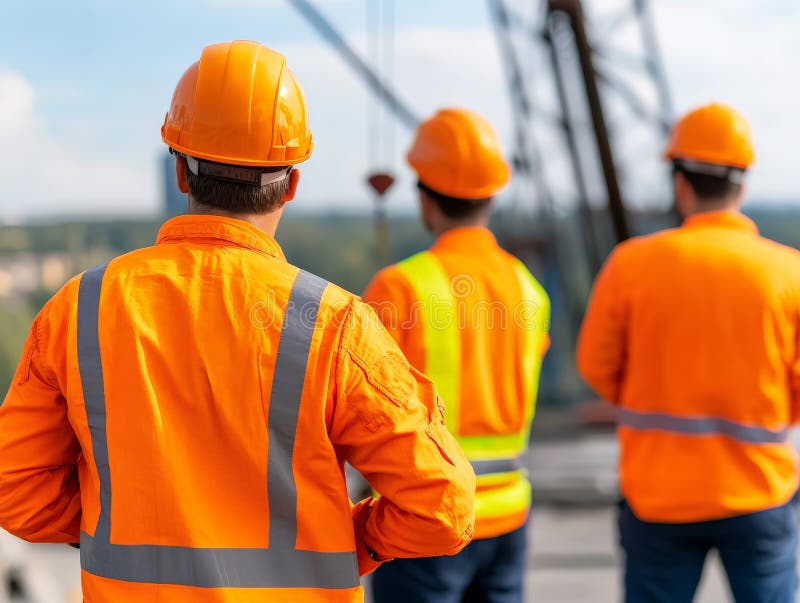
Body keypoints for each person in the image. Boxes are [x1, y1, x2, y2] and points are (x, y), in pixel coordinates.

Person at [0, 41, 476, 603]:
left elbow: (16, 488)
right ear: (292, 184)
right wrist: (353, 541)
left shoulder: (81, 309)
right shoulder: (333, 323)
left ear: (180, 170)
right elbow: (441, 506)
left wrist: (122, 527)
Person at [577, 102, 800, 603]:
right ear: (742, 183)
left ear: (680, 181)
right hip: (759, 489)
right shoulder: (789, 273)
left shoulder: (631, 265)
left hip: (659, 496)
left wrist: (644, 394)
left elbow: (596, 367)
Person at [364, 108, 550, 603]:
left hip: (426, 521)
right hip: (508, 513)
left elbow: (361, 408)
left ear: (426, 196)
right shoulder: (528, 289)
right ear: (491, 195)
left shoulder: (401, 286)